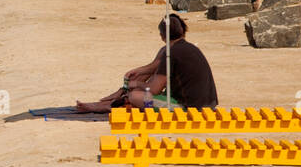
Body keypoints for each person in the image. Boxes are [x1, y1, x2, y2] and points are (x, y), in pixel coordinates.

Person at [75, 14, 218, 112]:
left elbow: (154, 89)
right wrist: (139, 73)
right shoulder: (184, 47)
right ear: (183, 32)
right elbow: (153, 68)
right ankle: (114, 101)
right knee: (138, 88)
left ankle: (111, 104)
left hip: (188, 108)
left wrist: (136, 85)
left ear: (162, 36)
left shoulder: (170, 53)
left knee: (135, 96)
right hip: (207, 103)